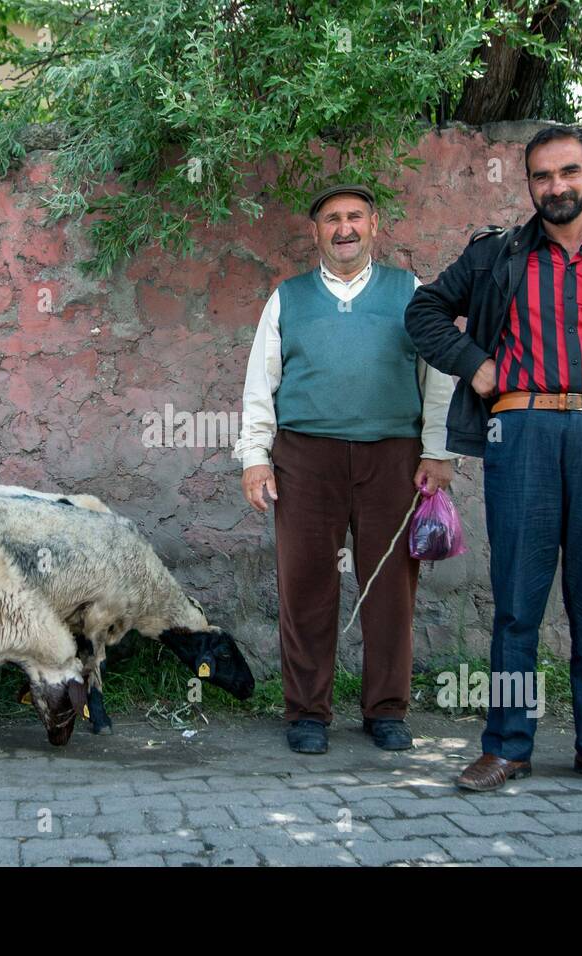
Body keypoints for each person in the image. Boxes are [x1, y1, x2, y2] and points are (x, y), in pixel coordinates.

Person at [404, 125, 582, 795]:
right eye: (541, 176)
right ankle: (507, 746)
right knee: (517, 606)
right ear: (528, 184)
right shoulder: (499, 256)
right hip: (519, 433)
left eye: (567, 172)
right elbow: (425, 312)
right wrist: (474, 365)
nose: (555, 186)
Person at [235, 183, 459, 754]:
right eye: (332, 218)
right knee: (305, 584)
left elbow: (439, 378)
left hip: (394, 458)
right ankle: (307, 713)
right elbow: (261, 384)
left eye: (355, 217)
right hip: (306, 459)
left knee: (390, 589)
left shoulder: (409, 292)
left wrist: (438, 451)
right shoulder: (288, 297)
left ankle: (386, 711)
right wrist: (256, 458)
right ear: (316, 231)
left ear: (374, 225)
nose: (344, 228)